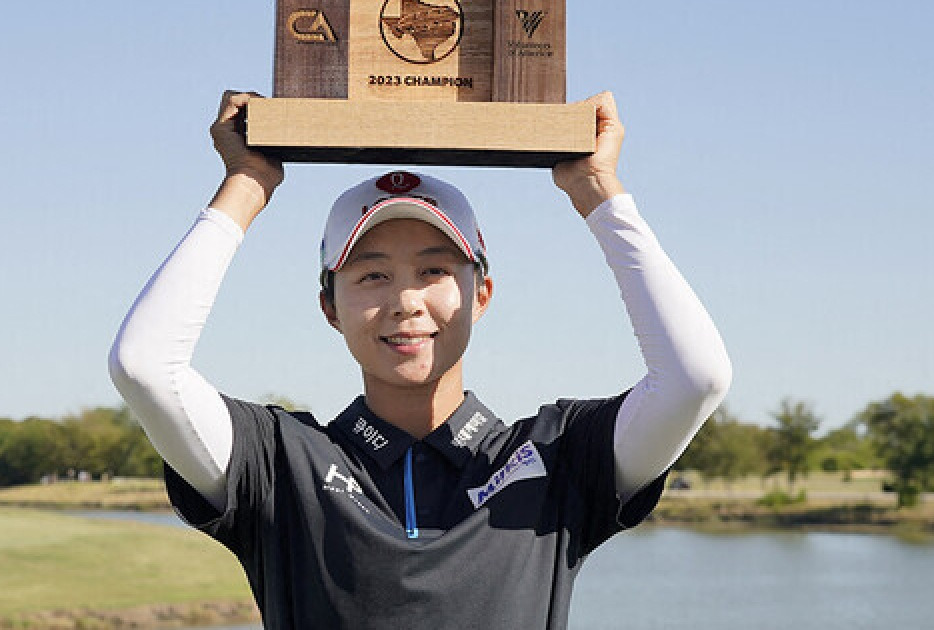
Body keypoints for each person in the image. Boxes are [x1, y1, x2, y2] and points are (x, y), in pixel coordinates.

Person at [109, 90, 731, 629]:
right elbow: (145, 365)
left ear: (480, 295)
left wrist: (598, 191)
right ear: (330, 307)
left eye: (434, 271)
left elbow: (695, 378)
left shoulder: (556, 457)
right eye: (372, 276)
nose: (406, 301)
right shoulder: (279, 462)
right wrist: (246, 186)